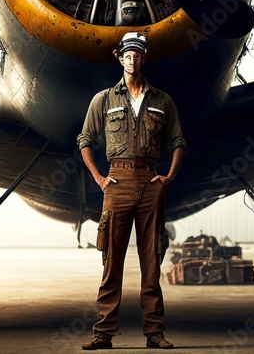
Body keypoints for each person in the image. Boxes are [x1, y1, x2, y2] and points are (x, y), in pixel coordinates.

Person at [77, 31, 186, 350]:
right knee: (112, 261)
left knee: (151, 261)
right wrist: (99, 178)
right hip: (117, 181)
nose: (132, 59)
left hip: (151, 182)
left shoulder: (163, 101)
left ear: (143, 58)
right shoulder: (103, 99)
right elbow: (85, 140)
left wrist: (168, 177)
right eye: (127, 54)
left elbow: (178, 141)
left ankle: (154, 332)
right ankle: (103, 332)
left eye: (137, 54)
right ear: (120, 58)